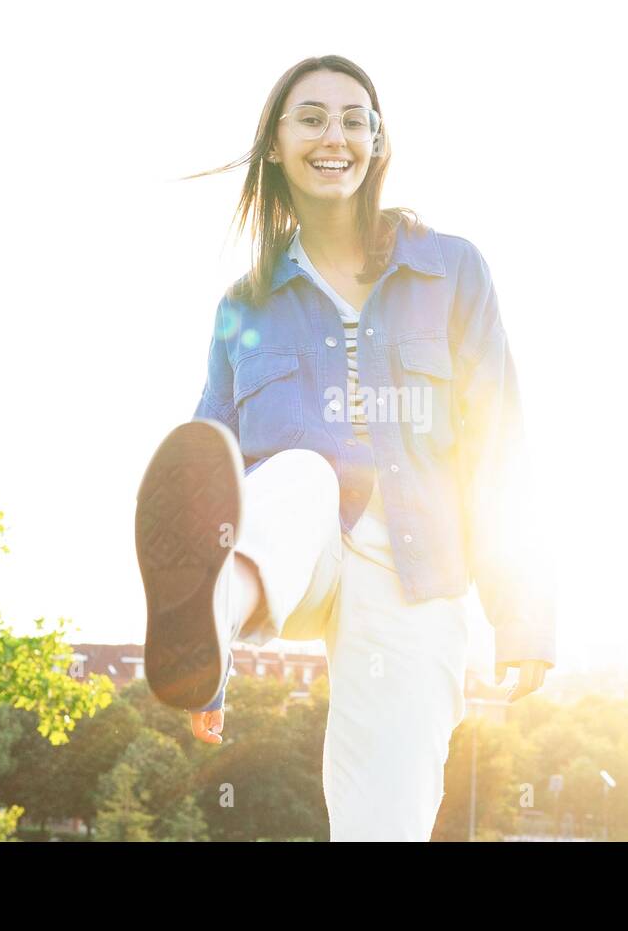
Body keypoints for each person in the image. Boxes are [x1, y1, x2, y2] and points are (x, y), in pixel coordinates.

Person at [135, 54, 556, 841]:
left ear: (378, 143)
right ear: (275, 146)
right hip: (299, 552)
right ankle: (212, 620)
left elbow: (501, 446)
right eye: (313, 117)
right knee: (294, 476)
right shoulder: (247, 302)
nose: (337, 136)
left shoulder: (453, 271)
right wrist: (207, 670)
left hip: (417, 571)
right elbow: (208, 464)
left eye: (354, 118)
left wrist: (521, 612)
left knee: (384, 823)